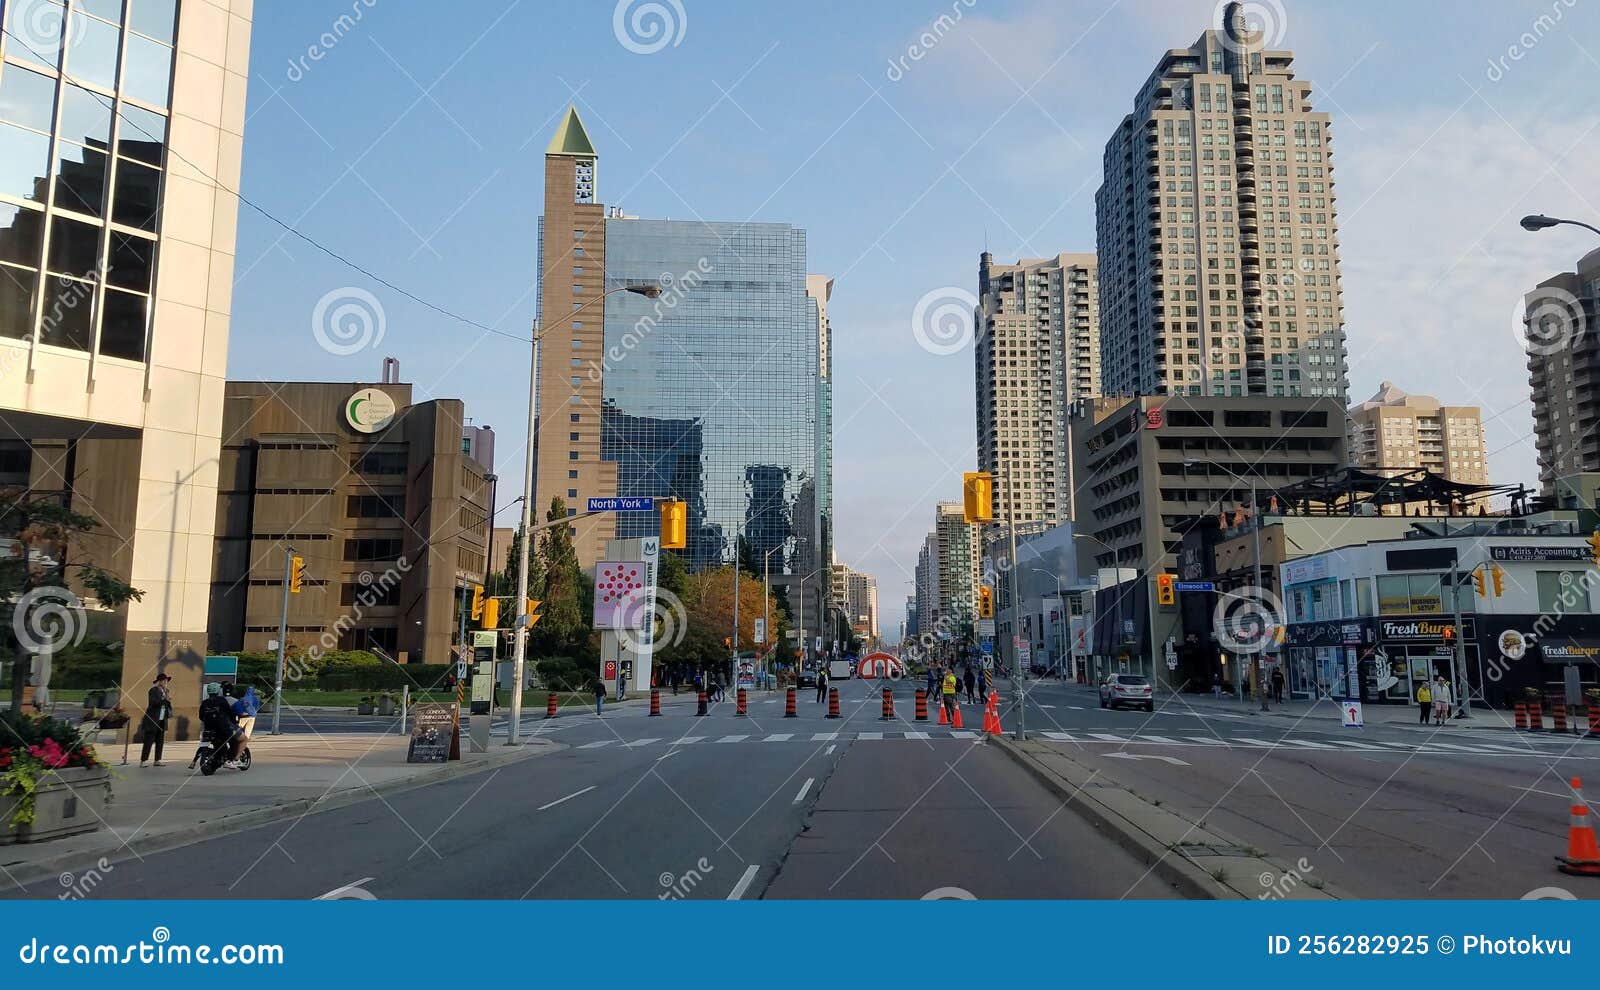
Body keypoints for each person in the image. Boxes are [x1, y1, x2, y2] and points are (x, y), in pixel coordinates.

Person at [196, 682, 242, 769]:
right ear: (217, 691)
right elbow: (229, 713)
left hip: (208, 728)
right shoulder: (221, 700)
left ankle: (218, 757)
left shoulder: (205, 702)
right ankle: (230, 760)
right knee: (234, 741)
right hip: (222, 728)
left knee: (219, 743)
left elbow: (201, 716)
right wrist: (233, 722)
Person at [139, 672, 172, 768]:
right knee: (149, 739)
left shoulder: (167, 691)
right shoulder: (153, 690)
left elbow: (167, 704)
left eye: (167, 681)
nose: (166, 682)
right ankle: (144, 760)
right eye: (164, 680)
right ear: (159, 681)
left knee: (160, 740)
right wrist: (164, 700)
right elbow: (153, 703)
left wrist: (168, 702)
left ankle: (157, 759)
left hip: (162, 718)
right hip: (153, 718)